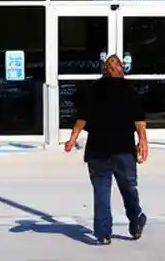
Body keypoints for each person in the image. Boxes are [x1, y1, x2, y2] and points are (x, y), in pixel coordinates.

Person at [64, 54, 149, 245]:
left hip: (103, 150)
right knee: (122, 189)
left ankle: (112, 229)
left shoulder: (101, 89)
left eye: (114, 65)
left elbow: (82, 118)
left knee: (110, 190)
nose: (115, 68)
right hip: (117, 150)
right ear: (119, 68)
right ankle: (127, 222)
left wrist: (73, 138)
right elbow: (139, 120)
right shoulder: (119, 89)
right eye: (113, 65)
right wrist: (143, 140)